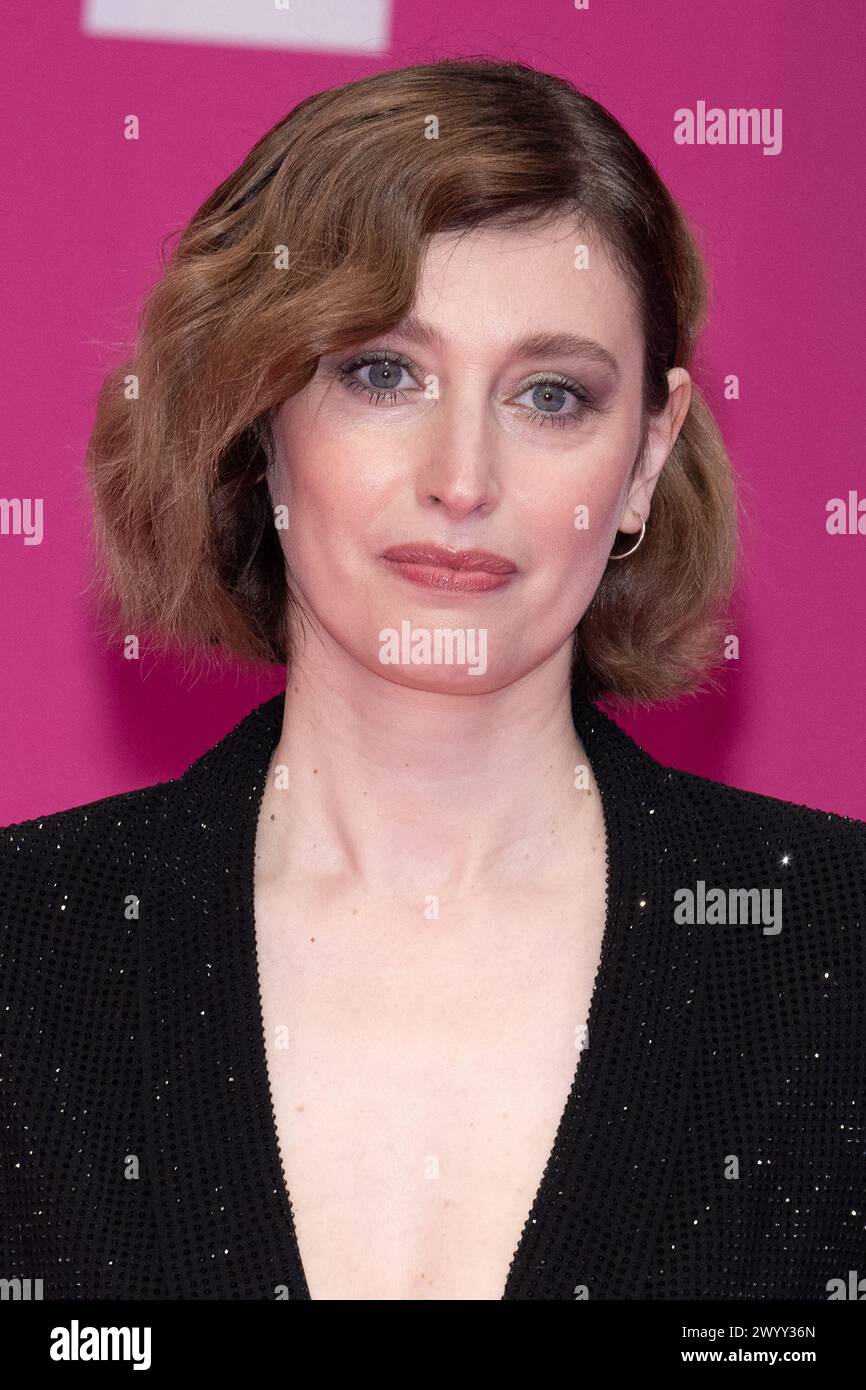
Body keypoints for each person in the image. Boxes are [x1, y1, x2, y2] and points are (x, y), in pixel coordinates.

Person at [1, 57, 864, 1302]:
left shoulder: (832, 956)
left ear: (643, 457)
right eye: (380, 373)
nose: (461, 478)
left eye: (550, 395)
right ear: (256, 420)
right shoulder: (32, 957)